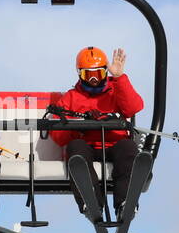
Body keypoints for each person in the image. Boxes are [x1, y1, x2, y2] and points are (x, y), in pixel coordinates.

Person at [48, 46, 146, 220]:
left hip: (114, 144)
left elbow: (134, 107)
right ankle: (91, 201)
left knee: (128, 147)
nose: (93, 80)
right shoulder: (71, 98)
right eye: (88, 75)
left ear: (105, 72)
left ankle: (125, 202)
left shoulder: (116, 91)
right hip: (89, 147)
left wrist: (119, 78)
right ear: (80, 74)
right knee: (75, 148)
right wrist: (78, 127)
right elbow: (57, 136)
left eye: (98, 74)